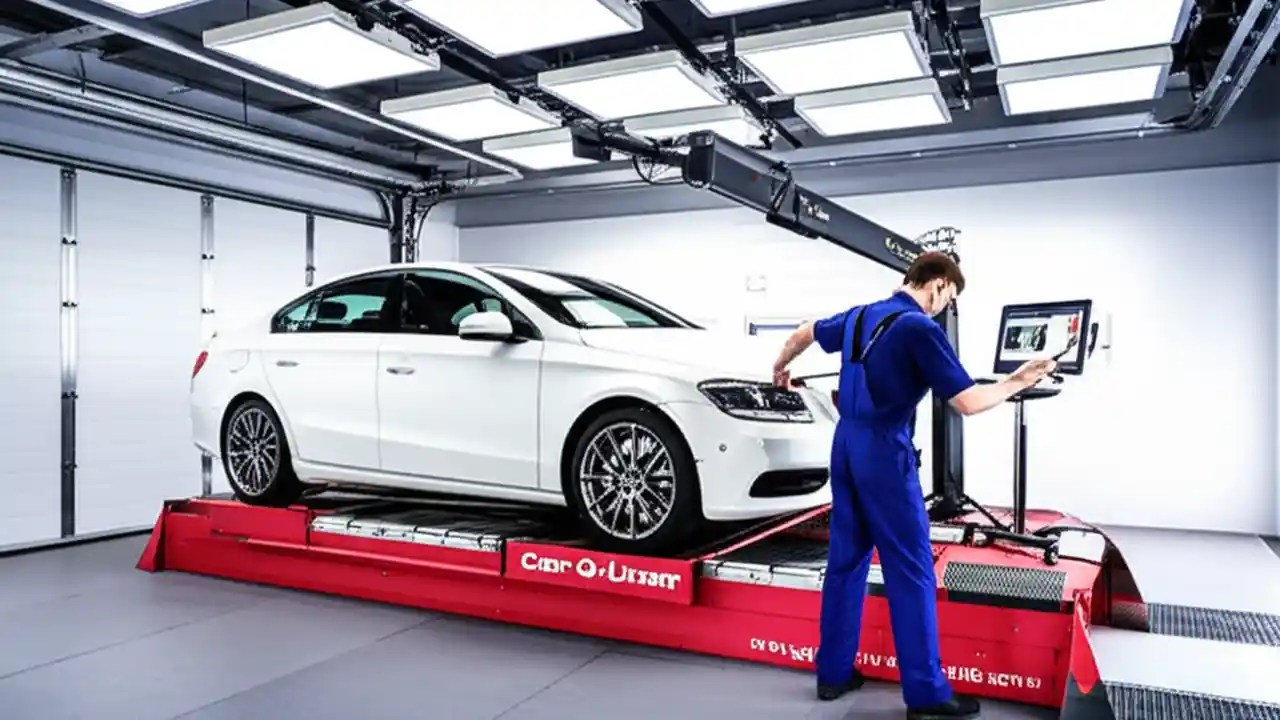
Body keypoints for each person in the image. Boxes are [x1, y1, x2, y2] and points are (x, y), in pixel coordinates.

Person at [770, 252, 1057, 719]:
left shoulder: (860, 316)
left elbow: (804, 331)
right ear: (939, 285)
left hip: (844, 446)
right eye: (951, 297)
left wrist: (781, 366)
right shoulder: (920, 329)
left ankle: (833, 674)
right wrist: (1018, 380)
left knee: (845, 562)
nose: (946, 307)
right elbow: (967, 402)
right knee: (911, 570)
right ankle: (926, 695)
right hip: (885, 453)